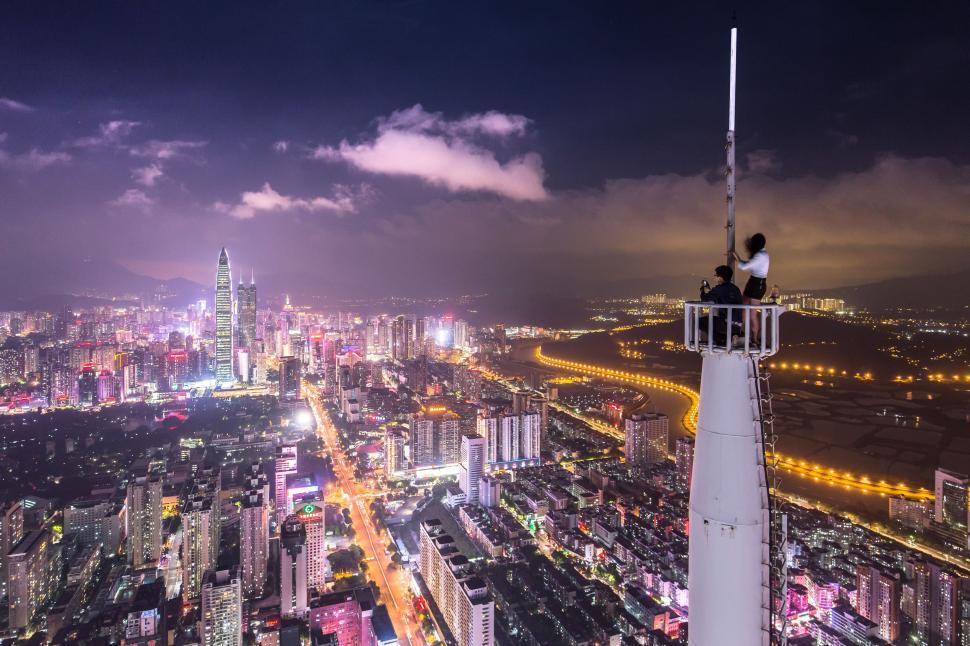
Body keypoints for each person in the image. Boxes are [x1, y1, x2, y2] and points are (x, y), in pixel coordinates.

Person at [734, 232, 769, 339]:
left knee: (752, 313)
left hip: (757, 284)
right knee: (744, 308)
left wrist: (737, 257)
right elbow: (749, 264)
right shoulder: (762, 254)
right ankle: (741, 332)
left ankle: (753, 338)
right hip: (756, 283)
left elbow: (744, 266)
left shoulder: (760, 255)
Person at [699, 265, 743, 345]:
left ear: (720, 277)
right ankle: (733, 336)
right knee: (715, 321)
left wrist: (703, 290)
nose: (714, 277)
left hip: (727, 324)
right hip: (737, 326)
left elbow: (704, 299)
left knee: (700, 322)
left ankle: (722, 340)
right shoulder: (735, 288)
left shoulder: (719, 289)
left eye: (715, 275)